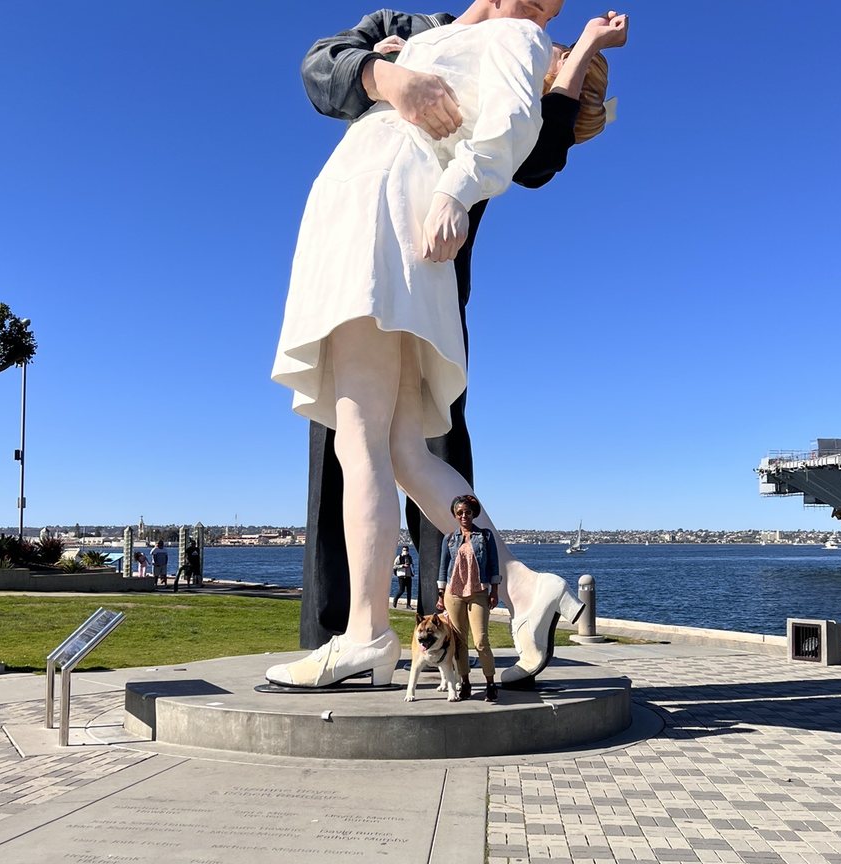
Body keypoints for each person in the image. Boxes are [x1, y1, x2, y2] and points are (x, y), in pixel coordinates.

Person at [266, 1, 623, 689]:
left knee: (360, 436)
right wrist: (390, 69)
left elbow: (522, 130)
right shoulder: (422, 32)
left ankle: (367, 632)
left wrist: (457, 190)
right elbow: (322, 65)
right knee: (401, 449)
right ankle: (522, 586)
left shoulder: (516, 36)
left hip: (381, 215)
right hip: (373, 209)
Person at [437, 494, 499, 701]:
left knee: (481, 640)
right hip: (453, 594)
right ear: (455, 515)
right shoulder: (449, 539)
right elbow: (443, 568)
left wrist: (494, 591)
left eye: (468, 512)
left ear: (474, 514)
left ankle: (491, 683)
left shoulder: (485, 537)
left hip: (478, 592)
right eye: (460, 513)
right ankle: (465, 682)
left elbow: (493, 566)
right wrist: (440, 595)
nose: (464, 516)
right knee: (460, 641)